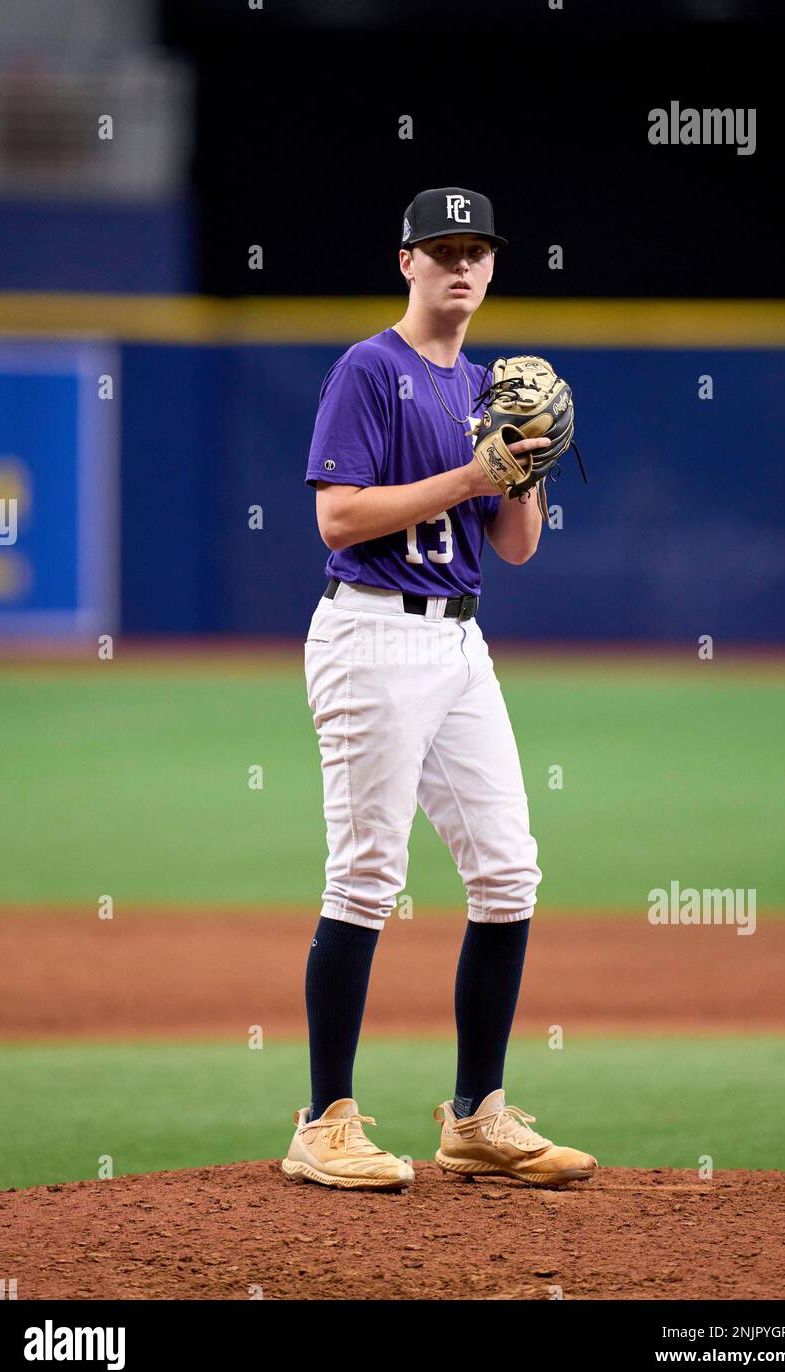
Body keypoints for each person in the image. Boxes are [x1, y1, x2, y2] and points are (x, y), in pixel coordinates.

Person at [281, 187, 597, 1190]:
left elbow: (511, 548)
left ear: (494, 268)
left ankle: (475, 1116)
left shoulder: (487, 384)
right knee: (365, 876)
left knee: (508, 872)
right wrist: (468, 475)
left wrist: (528, 464)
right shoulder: (368, 370)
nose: (460, 265)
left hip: (459, 644)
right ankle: (323, 1119)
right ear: (406, 261)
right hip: (369, 633)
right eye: (441, 248)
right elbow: (337, 519)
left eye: (477, 250)